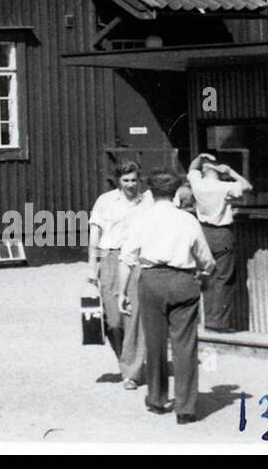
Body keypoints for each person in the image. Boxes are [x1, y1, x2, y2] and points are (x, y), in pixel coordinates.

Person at [118, 171, 215, 424]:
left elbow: (127, 258)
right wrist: (205, 272)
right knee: (185, 345)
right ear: (175, 192)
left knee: (155, 342)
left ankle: (157, 399)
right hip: (183, 281)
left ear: (150, 190)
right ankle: (185, 408)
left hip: (151, 282)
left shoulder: (140, 219)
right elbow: (205, 258)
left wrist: (122, 292)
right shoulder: (188, 220)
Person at [87, 162, 152, 389]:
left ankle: (131, 373)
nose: (130, 185)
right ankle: (126, 359)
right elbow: (95, 235)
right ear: (118, 181)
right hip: (111, 259)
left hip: (137, 261)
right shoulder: (105, 201)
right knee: (113, 321)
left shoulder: (148, 201)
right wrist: (91, 266)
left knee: (134, 316)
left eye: (134, 180)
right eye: (126, 181)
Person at [186, 152, 250, 332]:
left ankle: (208, 320)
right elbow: (247, 186)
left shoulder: (197, 184)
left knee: (208, 276)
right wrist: (231, 172)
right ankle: (219, 322)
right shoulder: (223, 186)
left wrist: (199, 157)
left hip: (203, 232)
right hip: (222, 233)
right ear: (218, 168)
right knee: (224, 278)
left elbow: (192, 168)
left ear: (204, 168)